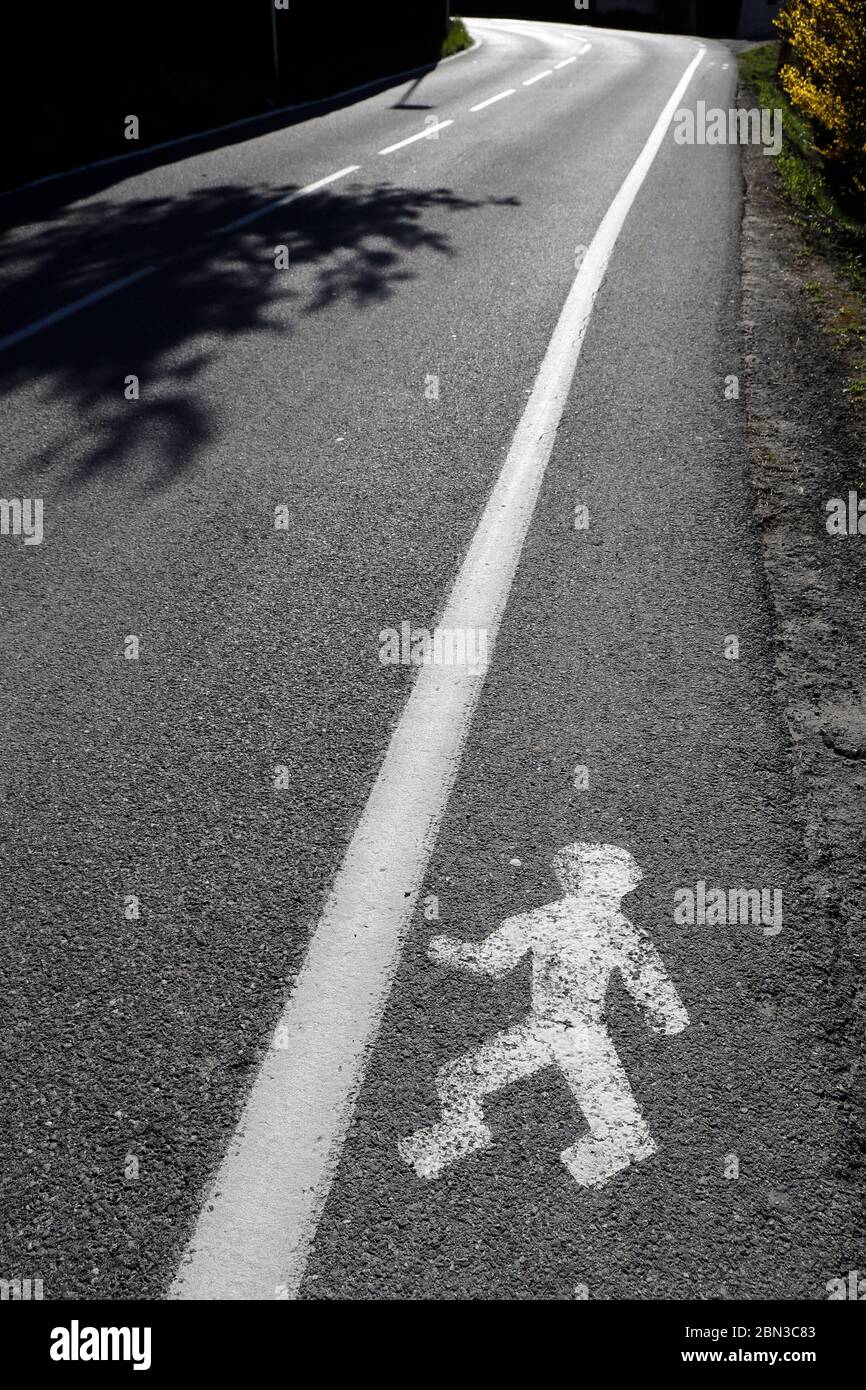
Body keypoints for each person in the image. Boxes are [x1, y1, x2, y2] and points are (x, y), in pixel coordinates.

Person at [399, 842, 689, 1187]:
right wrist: (665, 1019)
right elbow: (658, 1001)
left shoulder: (544, 919)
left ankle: (459, 1138)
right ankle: (576, 1176)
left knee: (459, 1081)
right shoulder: (624, 933)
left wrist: (445, 949)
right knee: (620, 1128)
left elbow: (490, 961)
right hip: (582, 1035)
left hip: (544, 1030)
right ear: (625, 884)